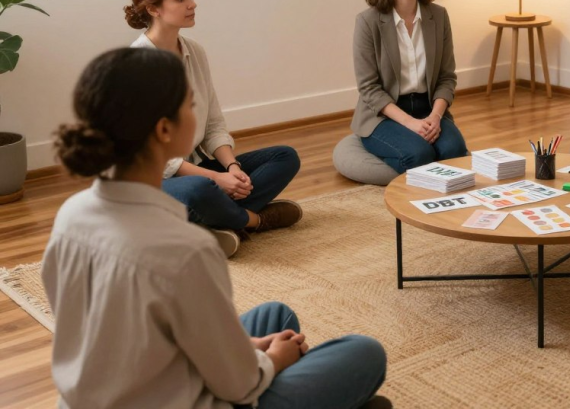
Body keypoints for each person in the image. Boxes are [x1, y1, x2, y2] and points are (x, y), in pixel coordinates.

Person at [44, 47, 389, 409]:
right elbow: (239, 385)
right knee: (365, 354)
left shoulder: (70, 215)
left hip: (114, 394)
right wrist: (272, 360)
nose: (195, 114)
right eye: (190, 106)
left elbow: (131, 339)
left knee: (275, 315)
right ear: (164, 129)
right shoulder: (186, 249)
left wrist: (249, 350)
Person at [125, 0, 302, 257]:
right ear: (154, 8)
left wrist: (232, 168)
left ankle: (210, 224)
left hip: (197, 168)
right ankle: (255, 221)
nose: (192, 4)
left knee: (285, 157)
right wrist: (217, 180)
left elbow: (213, 125)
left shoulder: (194, 52)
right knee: (198, 190)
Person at [352, 0, 468, 173]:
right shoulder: (368, 21)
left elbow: (447, 77)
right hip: (386, 113)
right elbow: (369, 88)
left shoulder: (439, 16)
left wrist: (435, 117)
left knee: (454, 151)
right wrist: (411, 124)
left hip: (428, 107)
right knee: (420, 154)